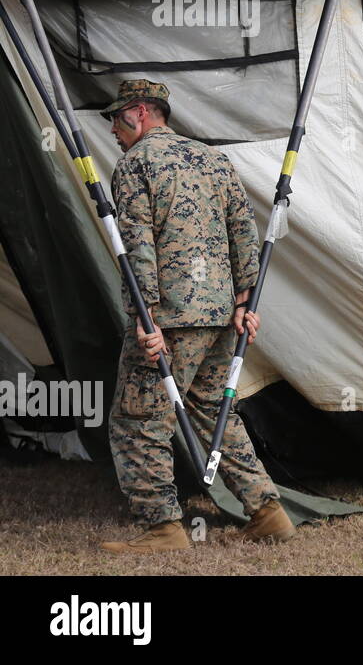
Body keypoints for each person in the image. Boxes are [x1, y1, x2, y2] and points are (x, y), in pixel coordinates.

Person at [97, 79, 294, 553]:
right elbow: (244, 231)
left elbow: (136, 249)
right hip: (221, 312)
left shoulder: (136, 164)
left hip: (169, 314)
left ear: (139, 112)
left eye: (116, 119)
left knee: (138, 417)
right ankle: (267, 510)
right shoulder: (214, 159)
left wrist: (146, 320)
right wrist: (247, 301)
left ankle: (163, 528)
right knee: (212, 409)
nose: (112, 130)